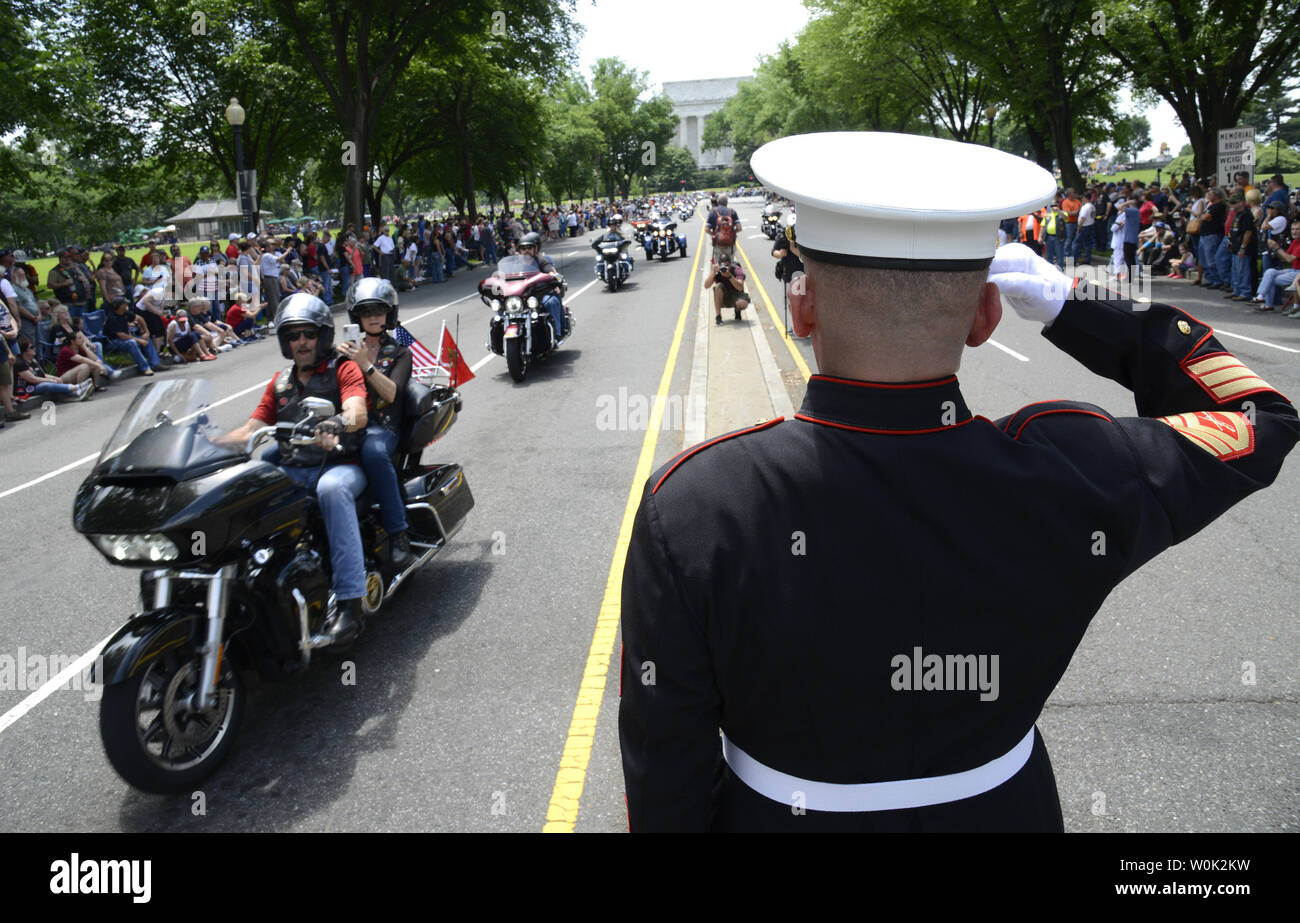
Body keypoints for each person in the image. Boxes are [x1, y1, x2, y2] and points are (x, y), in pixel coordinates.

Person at [617, 130, 1299, 832]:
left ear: (802, 309)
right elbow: (1262, 416)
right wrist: (1077, 307)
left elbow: (664, 769)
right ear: (987, 316)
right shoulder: (1075, 469)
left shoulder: (696, 503)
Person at [214, 294, 371, 646]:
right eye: (294, 335)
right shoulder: (280, 382)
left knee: (331, 491)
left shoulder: (342, 368)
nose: (301, 342)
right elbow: (249, 430)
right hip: (294, 466)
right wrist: (204, 443)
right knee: (244, 486)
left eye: (308, 334)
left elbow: (358, 412)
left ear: (323, 336)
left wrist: (336, 421)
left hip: (340, 465)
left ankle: (349, 603)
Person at [335, 278, 415, 571]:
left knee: (372, 452)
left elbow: (392, 393)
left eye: (378, 311)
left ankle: (398, 532)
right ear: (356, 316)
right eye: (366, 311)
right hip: (348, 422)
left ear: (389, 314)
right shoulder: (344, 350)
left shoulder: (399, 352)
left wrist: (364, 363)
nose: (372, 317)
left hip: (383, 426)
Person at [518, 232, 569, 340]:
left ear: (534, 249)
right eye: (523, 248)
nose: (526, 250)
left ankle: (556, 333)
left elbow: (550, 270)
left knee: (551, 302)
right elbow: (504, 275)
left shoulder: (541, 260)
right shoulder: (515, 263)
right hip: (522, 295)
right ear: (520, 250)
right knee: (503, 306)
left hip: (540, 293)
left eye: (529, 247)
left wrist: (554, 278)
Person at [11, 337, 93, 401]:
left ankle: (77, 392)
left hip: (37, 384)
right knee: (46, 385)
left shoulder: (33, 360)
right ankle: (78, 387)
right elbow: (32, 379)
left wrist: (55, 378)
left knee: (56, 381)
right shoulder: (19, 363)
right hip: (27, 389)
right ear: (24, 351)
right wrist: (50, 380)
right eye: (31, 347)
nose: (34, 349)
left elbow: (43, 374)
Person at [705, 253, 751, 325]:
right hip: (723, 296)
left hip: (736, 294)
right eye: (723, 265)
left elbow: (740, 287)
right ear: (719, 264)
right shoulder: (717, 271)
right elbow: (706, 286)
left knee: (743, 304)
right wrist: (713, 272)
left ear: (730, 264)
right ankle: (718, 317)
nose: (725, 268)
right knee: (718, 287)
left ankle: (737, 311)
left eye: (727, 265)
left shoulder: (736, 269)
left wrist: (729, 276)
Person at [707, 194, 741, 264]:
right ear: (727, 202)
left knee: (717, 265)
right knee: (731, 265)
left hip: (718, 243)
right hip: (730, 243)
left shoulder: (713, 212)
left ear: (718, 201)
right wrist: (733, 232)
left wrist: (714, 234)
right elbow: (739, 228)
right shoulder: (732, 212)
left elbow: (706, 229)